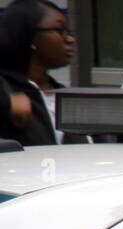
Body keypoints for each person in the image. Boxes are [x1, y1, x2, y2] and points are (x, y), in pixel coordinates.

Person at [0, 0, 87, 145]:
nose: (70, 39)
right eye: (60, 31)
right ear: (30, 35)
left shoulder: (63, 95)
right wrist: (6, 104)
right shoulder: (6, 89)